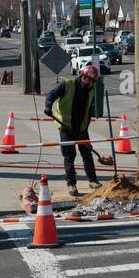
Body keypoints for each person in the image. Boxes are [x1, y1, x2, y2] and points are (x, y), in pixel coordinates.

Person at [44, 63, 102, 197]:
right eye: (91, 81)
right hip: (65, 126)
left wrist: (85, 129)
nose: (92, 84)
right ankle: (71, 184)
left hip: (81, 128)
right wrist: (48, 106)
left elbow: (88, 111)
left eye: (94, 82)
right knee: (69, 155)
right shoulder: (67, 85)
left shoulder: (91, 91)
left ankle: (92, 180)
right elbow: (51, 94)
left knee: (87, 153)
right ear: (84, 77)